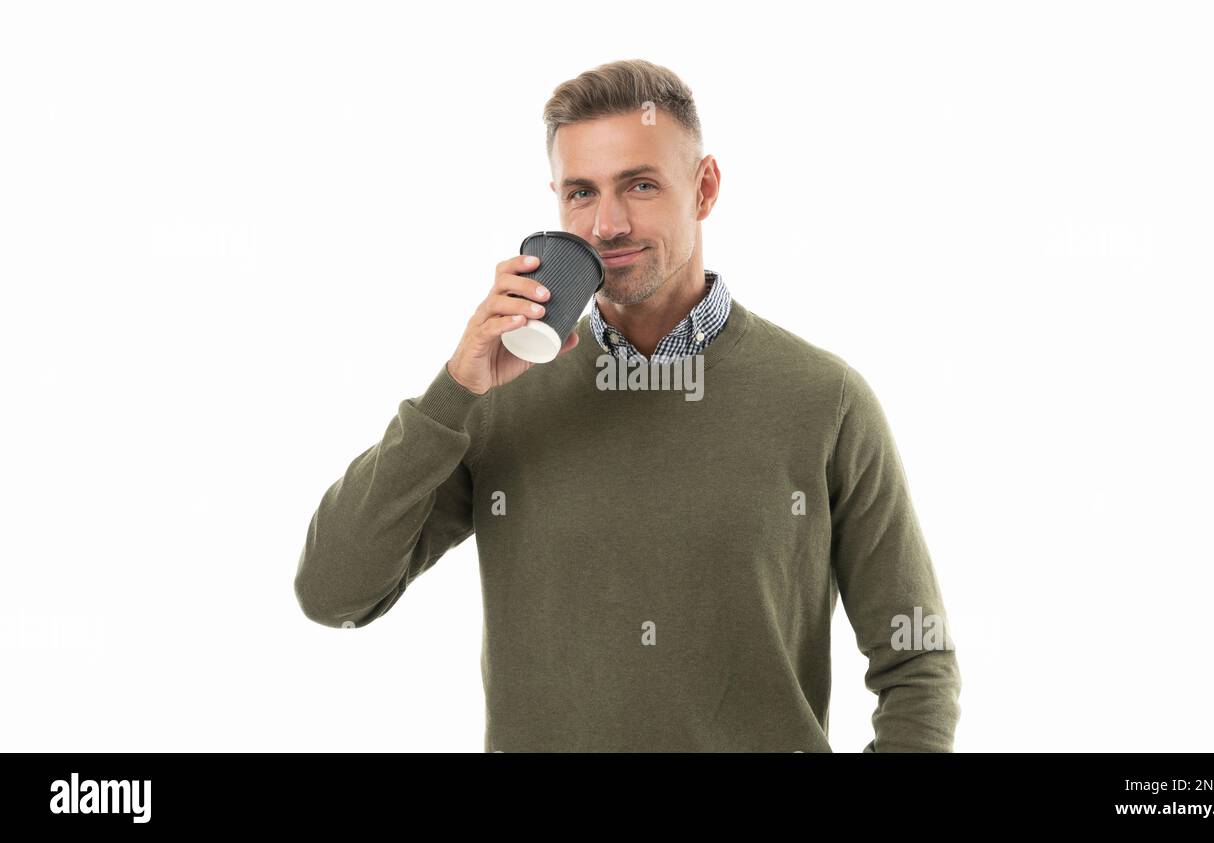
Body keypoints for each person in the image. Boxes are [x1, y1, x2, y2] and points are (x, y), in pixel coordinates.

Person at [294, 58, 961, 752]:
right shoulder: (497, 398)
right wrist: (454, 390)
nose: (607, 224)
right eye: (580, 193)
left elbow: (917, 662)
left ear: (704, 189)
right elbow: (333, 592)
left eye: (640, 185)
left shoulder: (825, 400)